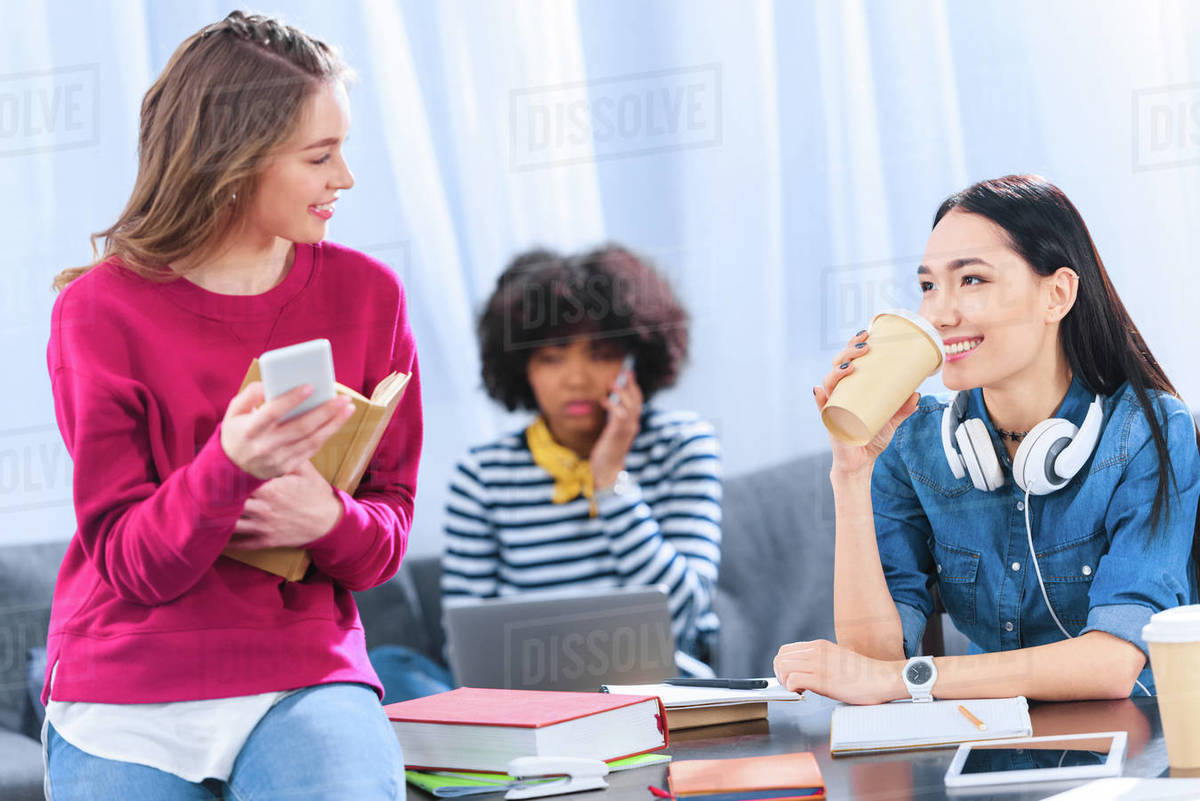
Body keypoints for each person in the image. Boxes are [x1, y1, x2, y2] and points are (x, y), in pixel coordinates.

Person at [43, 11, 419, 800]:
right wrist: (228, 468)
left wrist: (328, 521)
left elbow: (387, 531)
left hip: (303, 676)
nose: (344, 178)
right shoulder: (100, 312)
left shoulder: (369, 296)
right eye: (320, 156)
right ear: (235, 163)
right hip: (126, 685)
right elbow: (131, 566)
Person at [775, 174, 1200, 703]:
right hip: (985, 742)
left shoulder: (1148, 432)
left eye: (971, 280)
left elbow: (1115, 660)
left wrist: (908, 681)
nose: (939, 314)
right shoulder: (914, 445)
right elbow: (874, 663)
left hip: (1135, 745)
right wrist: (852, 473)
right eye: (929, 286)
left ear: (1057, 294)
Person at [370, 246, 721, 700]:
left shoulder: (683, 444)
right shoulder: (482, 475)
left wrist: (610, 482)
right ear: (522, 369)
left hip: (659, 695)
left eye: (600, 354)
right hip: (532, 704)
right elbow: (468, 650)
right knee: (391, 669)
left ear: (636, 360)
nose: (575, 379)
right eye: (552, 357)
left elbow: (683, 615)